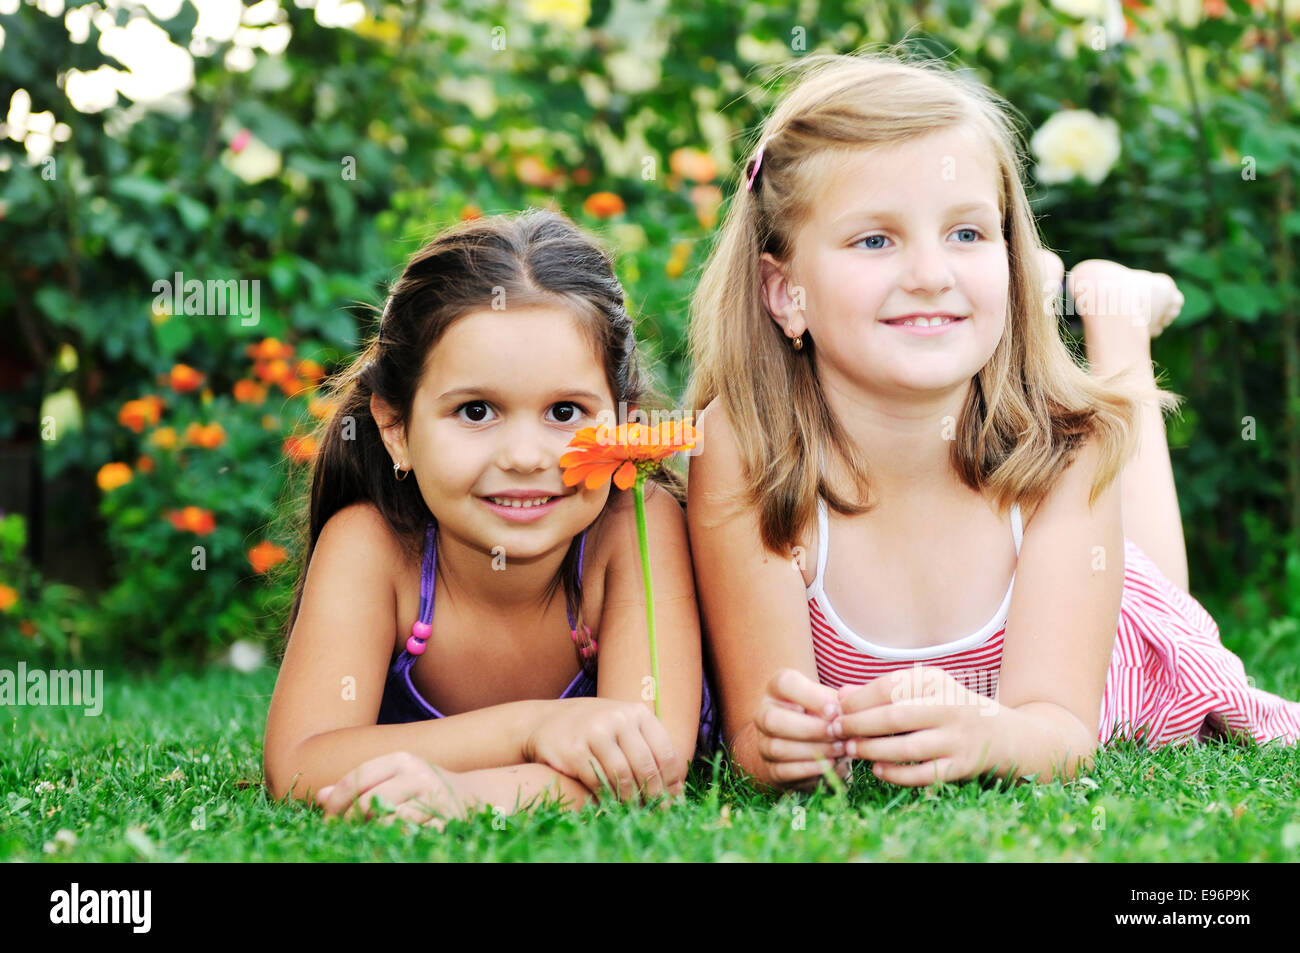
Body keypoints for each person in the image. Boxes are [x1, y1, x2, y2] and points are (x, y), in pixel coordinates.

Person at [683, 51, 1300, 792]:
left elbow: (1060, 731)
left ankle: (1117, 322)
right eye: (875, 239)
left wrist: (993, 734)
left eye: (968, 234)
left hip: (1100, 632)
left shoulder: (1068, 448)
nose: (929, 273)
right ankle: (1034, 285)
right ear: (785, 293)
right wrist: (780, 739)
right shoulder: (743, 446)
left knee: (1159, 589)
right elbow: (757, 731)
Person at [264, 209, 717, 827]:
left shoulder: (635, 526)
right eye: (476, 411)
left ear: (626, 424)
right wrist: (535, 728)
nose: (526, 457)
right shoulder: (373, 548)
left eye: (565, 412)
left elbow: (652, 772)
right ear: (396, 429)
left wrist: (463, 797)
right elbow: (298, 765)